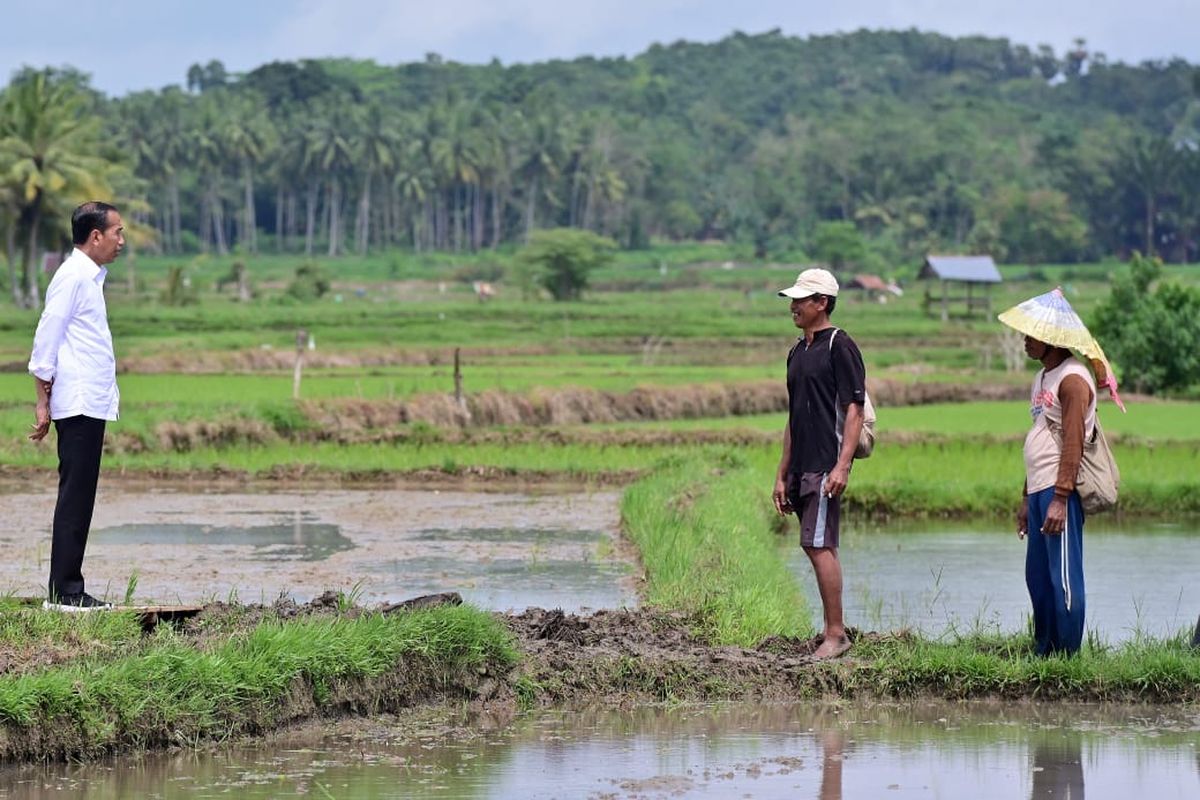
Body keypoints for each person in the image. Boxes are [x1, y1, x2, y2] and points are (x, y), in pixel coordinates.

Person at [999, 288, 1125, 656]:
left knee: (1063, 577)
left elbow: (1073, 442)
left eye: (1031, 335)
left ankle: (1067, 657)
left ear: (1051, 339)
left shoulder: (1073, 380)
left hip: (1059, 493)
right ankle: (1045, 651)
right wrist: (1027, 498)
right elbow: (1041, 434)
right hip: (1040, 489)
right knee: (1038, 577)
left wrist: (1059, 498)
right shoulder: (1043, 378)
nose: (1025, 341)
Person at [28, 201, 124, 611]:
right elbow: (46, 336)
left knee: (80, 497)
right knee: (75, 498)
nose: (122, 240)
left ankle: (66, 588)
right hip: (79, 402)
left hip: (90, 402)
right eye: (117, 231)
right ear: (95, 236)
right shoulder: (72, 277)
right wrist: (41, 400)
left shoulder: (89, 278)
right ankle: (66, 592)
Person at [772, 268, 866, 661]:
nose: (793, 306)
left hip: (826, 463)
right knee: (816, 545)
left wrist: (842, 466)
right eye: (792, 300)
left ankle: (836, 634)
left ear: (821, 302)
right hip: (801, 465)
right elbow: (793, 417)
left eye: (801, 299)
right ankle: (831, 629)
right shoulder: (798, 352)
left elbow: (854, 409)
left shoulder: (839, 346)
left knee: (819, 545)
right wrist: (782, 474)